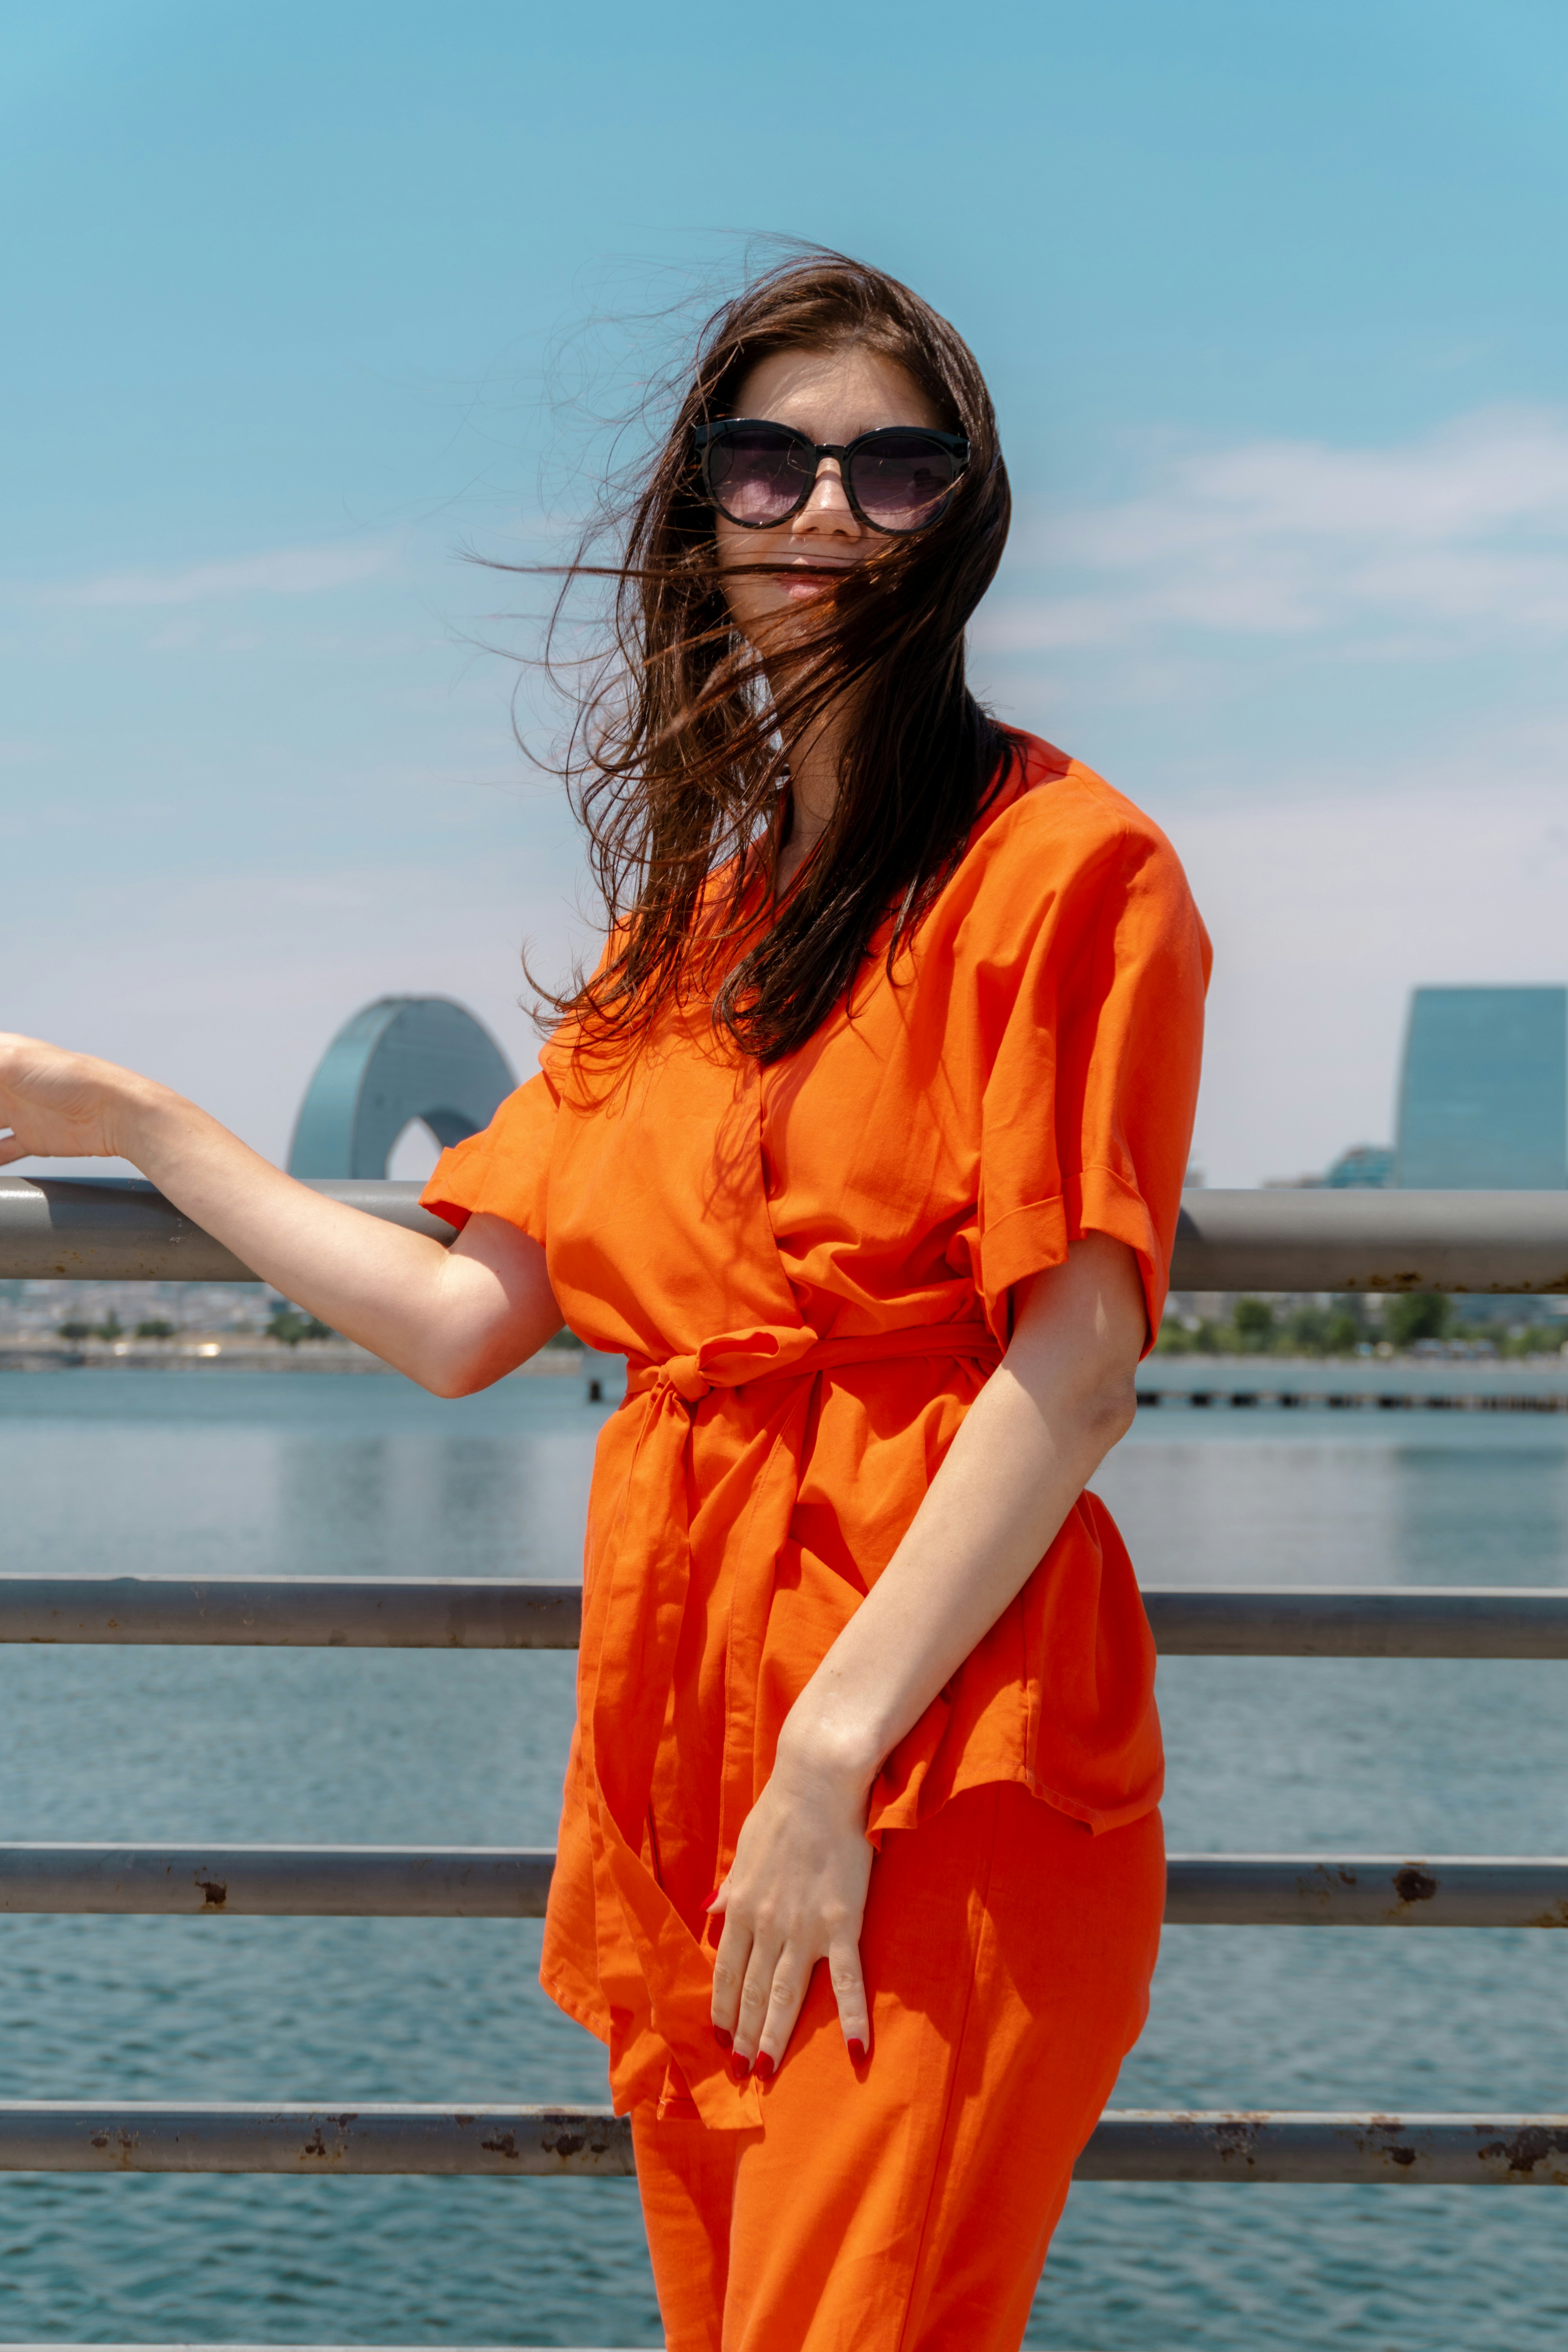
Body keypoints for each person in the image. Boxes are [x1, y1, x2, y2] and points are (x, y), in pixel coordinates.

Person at [0, 251, 1210, 2351]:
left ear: (968, 520)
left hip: (933, 1744)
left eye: (894, 470)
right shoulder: (691, 936)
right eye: (772, 462)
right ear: (701, 520)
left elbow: (1078, 1362)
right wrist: (140, 1122)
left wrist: (830, 1763)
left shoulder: (1073, 871)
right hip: (685, 1764)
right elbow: (470, 1317)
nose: (827, 510)